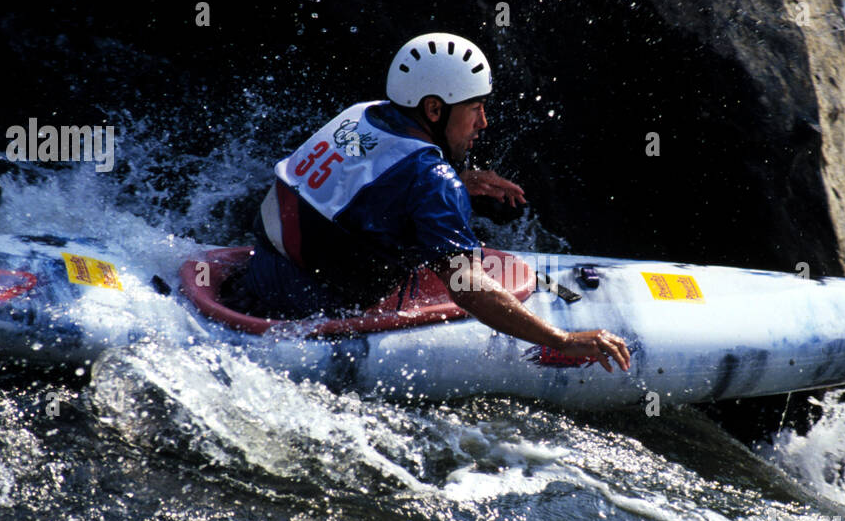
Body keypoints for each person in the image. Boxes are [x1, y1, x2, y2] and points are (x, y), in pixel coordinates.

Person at [245, 32, 630, 372]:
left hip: (260, 274)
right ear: (433, 109)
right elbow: (465, 286)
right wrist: (561, 340)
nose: (483, 123)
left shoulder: (361, 114)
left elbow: (359, 180)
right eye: (474, 108)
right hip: (310, 314)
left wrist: (458, 182)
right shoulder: (432, 180)